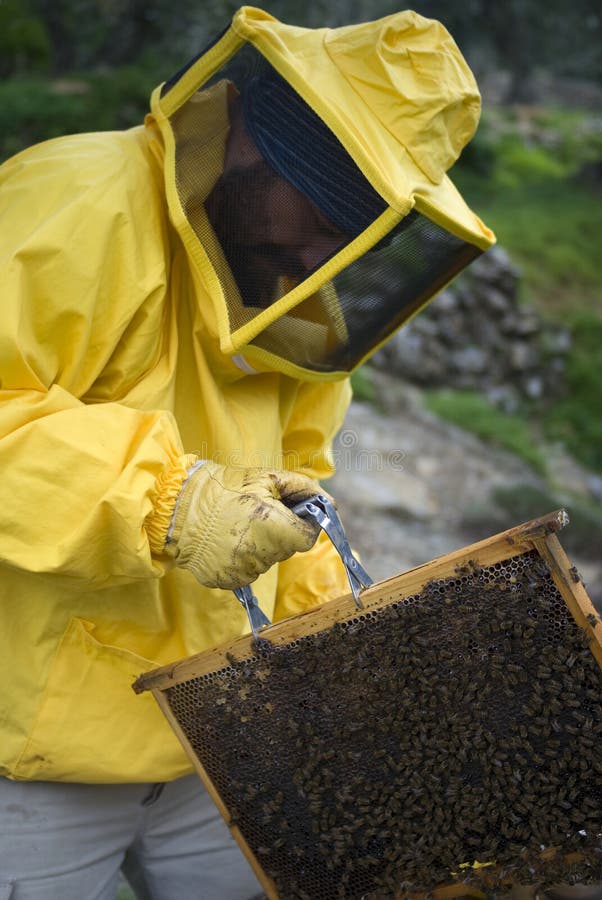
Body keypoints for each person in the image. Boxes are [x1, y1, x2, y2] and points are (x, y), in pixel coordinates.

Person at [0, 6, 496, 899]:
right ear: (255, 144)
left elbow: (304, 498)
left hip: (220, 728)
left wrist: (332, 646)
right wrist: (169, 500)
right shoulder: (74, 203)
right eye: (322, 210)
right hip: (30, 740)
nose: (321, 250)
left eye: (356, 228)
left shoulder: (296, 302)